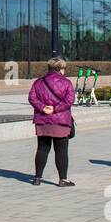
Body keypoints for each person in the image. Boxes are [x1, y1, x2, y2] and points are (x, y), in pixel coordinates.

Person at [28, 56, 76, 187]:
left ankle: (37, 178)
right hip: (60, 121)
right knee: (61, 151)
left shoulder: (38, 82)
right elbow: (69, 101)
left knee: (42, 149)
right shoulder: (66, 83)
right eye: (64, 68)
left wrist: (43, 108)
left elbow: (31, 98)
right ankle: (63, 179)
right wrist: (55, 109)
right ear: (60, 69)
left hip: (43, 120)